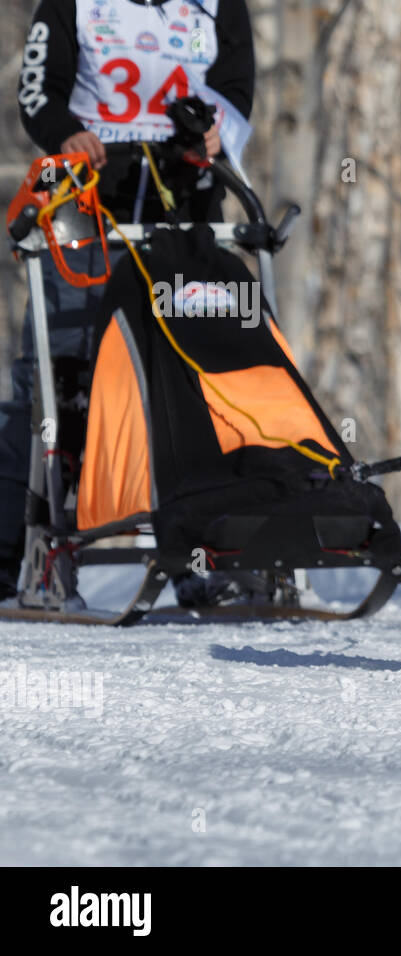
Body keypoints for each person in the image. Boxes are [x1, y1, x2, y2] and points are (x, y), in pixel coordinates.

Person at [2, 0, 255, 598]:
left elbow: (235, 90)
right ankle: (16, 552)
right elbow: (37, 89)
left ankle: (208, 559)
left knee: (202, 379)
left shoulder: (219, 5)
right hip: (85, 209)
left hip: (185, 213)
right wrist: (67, 132)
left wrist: (218, 130)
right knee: (53, 380)